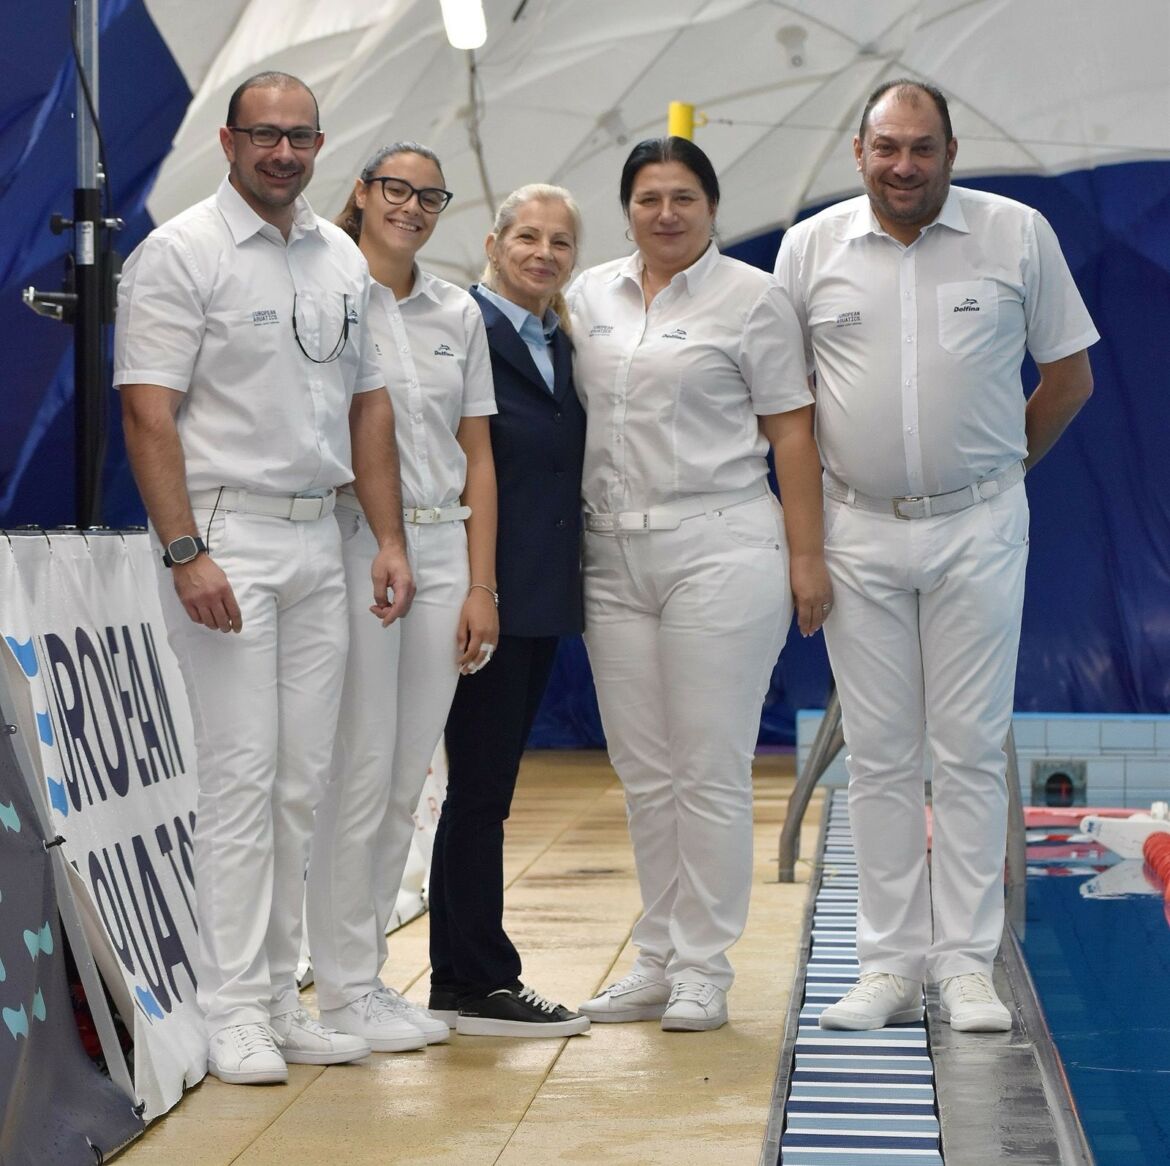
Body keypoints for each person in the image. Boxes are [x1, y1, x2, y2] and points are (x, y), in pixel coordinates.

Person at [775, 79, 1097, 1032]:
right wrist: (805, 547)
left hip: (980, 526)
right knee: (878, 755)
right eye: (887, 148)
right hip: (856, 528)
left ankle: (963, 966)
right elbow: (787, 409)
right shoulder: (811, 248)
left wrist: (992, 474)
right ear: (859, 151)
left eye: (922, 148)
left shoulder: (1017, 234)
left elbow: (1069, 378)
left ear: (951, 150)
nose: (904, 165)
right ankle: (887, 965)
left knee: (966, 750)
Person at [115, 71, 415, 1085]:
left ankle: (276, 997)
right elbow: (148, 412)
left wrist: (388, 537)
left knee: (301, 783)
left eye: (301, 137)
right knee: (242, 779)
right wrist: (186, 547)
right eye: (265, 135)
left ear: (322, 146)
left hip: (323, 541)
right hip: (228, 536)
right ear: (230, 139)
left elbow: (369, 408)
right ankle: (231, 1006)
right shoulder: (179, 255)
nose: (283, 153)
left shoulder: (340, 257)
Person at [570, 137, 831, 1033]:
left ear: (712, 207)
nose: (667, 213)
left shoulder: (753, 298)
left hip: (720, 546)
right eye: (649, 199)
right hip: (611, 557)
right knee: (645, 773)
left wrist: (807, 558)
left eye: (684, 197)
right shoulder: (587, 297)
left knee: (708, 768)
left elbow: (792, 435)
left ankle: (704, 969)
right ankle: (655, 957)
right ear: (628, 209)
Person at [305, 142, 497, 1052]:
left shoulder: (457, 309)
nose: (412, 207)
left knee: (403, 775)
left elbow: (481, 455)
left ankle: (364, 979)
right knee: (357, 770)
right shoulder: (326, 283)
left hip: (443, 542)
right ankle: (335, 984)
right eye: (396, 190)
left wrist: (481, 581)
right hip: (355, 543)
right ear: (361, 192)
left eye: (430, 195)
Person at [425, 184, 590, 1037]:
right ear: (492, 241)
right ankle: (487, 979)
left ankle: (457, 979)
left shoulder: (558, 338)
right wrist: (476, 587)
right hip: (483, 591)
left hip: (536, 591)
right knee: (481, 791)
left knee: (481, 792)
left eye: (561, 242)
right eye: (527, 236)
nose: (543, 253)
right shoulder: (466, 326)